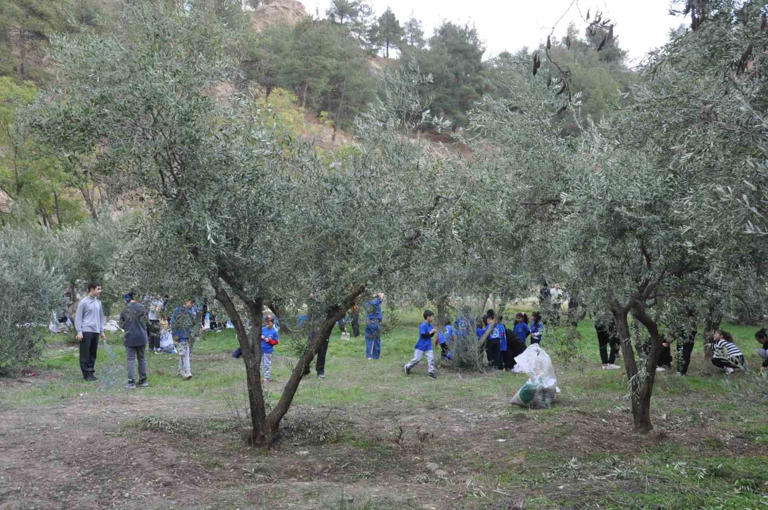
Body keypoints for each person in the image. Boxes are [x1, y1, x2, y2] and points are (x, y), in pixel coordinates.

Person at [74, 282, 106, 381]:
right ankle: (86, 374)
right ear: (91, 290)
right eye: (98, 289)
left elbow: (100, 318)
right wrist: (79, 331)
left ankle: (91, 372)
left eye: (100, 289)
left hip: (95, 331)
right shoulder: (83, 302)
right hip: (86, 330)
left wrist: (102, 331)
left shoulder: (98, 303)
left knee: (93, 353)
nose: (100, 291)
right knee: (85, 353)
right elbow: (78, 317)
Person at [119, 293, 149, 389]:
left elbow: (121, 324)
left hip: (130, 337)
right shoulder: (143, 308)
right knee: (142, 358)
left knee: (131, 359)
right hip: (142, 336)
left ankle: (131, 382)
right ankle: (143, 380)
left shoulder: (125, 309)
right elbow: (147, 322)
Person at [171, 299, 199, 380]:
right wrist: (175, 334)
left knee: (186, 352)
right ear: (185, 301)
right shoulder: (177, 310)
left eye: (193, 303)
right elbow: (173, 322)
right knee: (184, 353)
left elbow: (194, 323)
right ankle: (187, 371)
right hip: (181, 335)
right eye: (191, 302)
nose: (192, 304)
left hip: (189, 335)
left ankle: (180, 369)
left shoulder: (192, 310)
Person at [405, 310, 437, 378]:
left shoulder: (430, 325)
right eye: (432, 317)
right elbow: (423, 335)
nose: (433, 318)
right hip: (421, 346)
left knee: (431, 358)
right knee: (417, 359)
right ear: (428, 317)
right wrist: (431, 332)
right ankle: (408, 366)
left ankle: (431, 372)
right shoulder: (422, 325)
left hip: (428, 345)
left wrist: (433, 332)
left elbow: (430, 336)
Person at [675, 308, 697, 376]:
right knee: (680, 355)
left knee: (686, 356)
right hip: (680, 340)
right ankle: (679, 371)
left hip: (688, 342)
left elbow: (693, 332)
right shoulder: (681, 321)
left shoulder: (692, 321)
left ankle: (683, 372)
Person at [364, 293, 384, 360]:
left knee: (369, 339)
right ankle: (376, 356)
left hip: (368, 322)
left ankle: (369, 355)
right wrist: (379, 295)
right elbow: (380, 297)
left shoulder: (366, 302)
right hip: (374, 322)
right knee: (376, 339)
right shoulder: (374, 302)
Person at [260, 314, 279, 383]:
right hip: (260, 350)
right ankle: (258, 377)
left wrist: (269, 340)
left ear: (273, 323)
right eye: (266, 321)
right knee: (259, 364)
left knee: (267, 364)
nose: (267, 323)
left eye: (269, 321)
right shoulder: (262, 329)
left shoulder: (274, 332)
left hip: (268, 351)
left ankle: (266, 378)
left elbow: (276, 342)